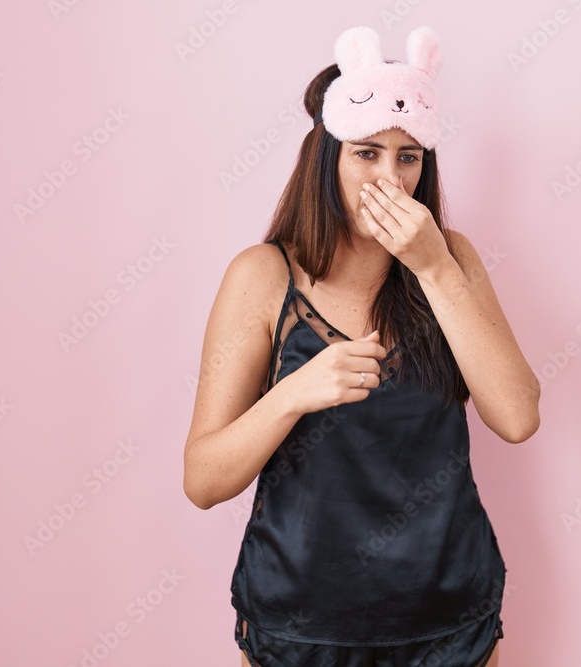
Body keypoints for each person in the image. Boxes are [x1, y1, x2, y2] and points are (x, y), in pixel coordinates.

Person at [183, 25, 541, 667]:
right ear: (328, 157)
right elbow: (204, 481)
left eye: (409, 157)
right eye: (367, 153)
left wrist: (432, 268)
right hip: (298, 628)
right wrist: (293, 393)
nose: (391, 179)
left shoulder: (453, 260)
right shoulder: (262, 276)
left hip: (448, 622)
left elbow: (517, 417)